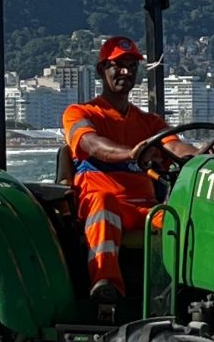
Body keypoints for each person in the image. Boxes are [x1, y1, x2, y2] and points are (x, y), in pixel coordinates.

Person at [62, 35, 198, 304]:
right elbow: (92, 143)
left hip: (145, 208)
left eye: (132, 66)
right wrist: (130, 152)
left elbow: (176, 147)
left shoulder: (149, 122)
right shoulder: (81, 113)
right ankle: (105, 284)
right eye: (118, 65)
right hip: (104, 204)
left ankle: (188, 294)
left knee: (185, 219)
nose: (126, 71)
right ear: (102, 69)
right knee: (104, 203)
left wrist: (203, 155)